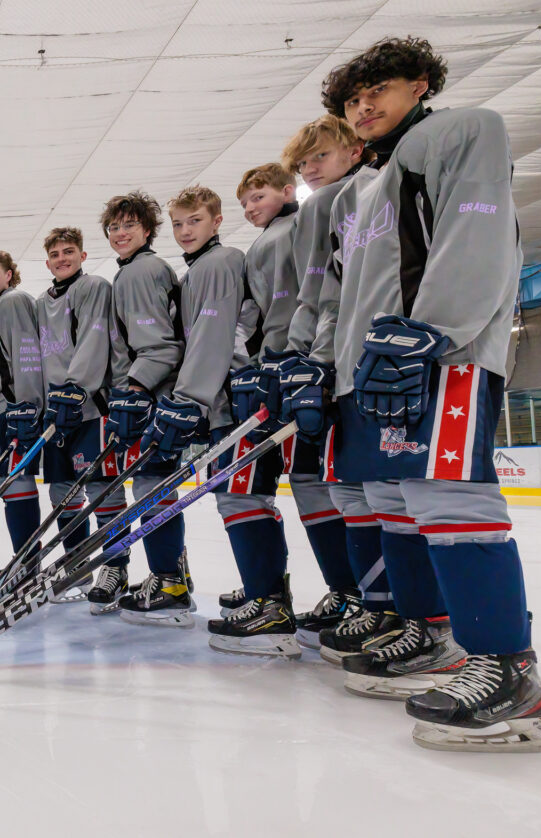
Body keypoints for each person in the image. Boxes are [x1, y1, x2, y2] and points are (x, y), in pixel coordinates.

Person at [321, 36, 541, 751]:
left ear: (420, 84)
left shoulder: (464, 130)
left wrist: (430, 331)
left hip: (438, 353)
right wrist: (327, 363)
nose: (364, 104)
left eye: (378, 89)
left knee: (452, 498)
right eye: (353, 99)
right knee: (398, 500)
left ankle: (510, 672)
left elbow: (475, 234)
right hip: (374, 368)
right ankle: (430, 634)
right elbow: (344, 290)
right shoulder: (360, 190)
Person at [209, 162, 352, 658]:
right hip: (276, 368)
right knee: (302, 485)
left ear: (289, 191)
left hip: (299, 368)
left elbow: (308, 300)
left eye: (259, 196)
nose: (251, 207)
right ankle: (339, 596)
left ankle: (350, 597)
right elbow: (258, 313)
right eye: (245, 201)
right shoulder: (264, 241)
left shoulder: (298, 227)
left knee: (316, 486)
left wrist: (300, 360)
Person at [280, 114, 396, 656]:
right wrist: (298, 357)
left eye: (319, 157)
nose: (310, 171)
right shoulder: (326, 207)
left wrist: (317, 356)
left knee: (383, 492)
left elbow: (339, 295)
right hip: (336, 363)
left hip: (367, 364)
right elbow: (318, 293)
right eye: (303, 165)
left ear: (353, 150)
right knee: (349, 489)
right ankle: (370, 601)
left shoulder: (366, 193)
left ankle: (398, 610)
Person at [132, 186, 245, 628]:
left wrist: (188, 399)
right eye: (178, 223)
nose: (184, 231)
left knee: (241, 499)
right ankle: (263, 590)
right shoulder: (196, 270)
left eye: (194, 220)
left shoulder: (218, 263)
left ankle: (269, 597)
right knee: (235, 499)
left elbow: (210, 340)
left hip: (227, 402)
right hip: (215, 401)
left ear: (217, 221)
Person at [95, 191, 185, 614]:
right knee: (153, 485)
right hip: (151, 392)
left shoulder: (141, 271)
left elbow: (161, 346)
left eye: (129, 225)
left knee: (152, 486)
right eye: (114, 227)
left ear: (147, 230)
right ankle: (173, 575)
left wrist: (133, 390)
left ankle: (169, 583)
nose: (120, 233)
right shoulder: (134, 270)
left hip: (151, 394)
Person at [36, 227, 118, 603]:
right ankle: (78, 565)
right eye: (55, 254)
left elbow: (93, 340)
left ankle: (115, 567)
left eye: (69, 251)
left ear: (83, 256)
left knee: (102, 489)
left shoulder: (93, 287)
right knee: (62, 493)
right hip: (55, 413)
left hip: (88, 408)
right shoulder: (41, 303)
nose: (62, 258)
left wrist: (75, 388)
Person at [0, 250, 45, 564]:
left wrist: (25, 406)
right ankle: (25, 561)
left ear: (9, 274)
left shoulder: (12, 302)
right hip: (3, 410)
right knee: (10, 484)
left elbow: (26, 356)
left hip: (13, 409)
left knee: (17, 483)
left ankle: (28, 562)